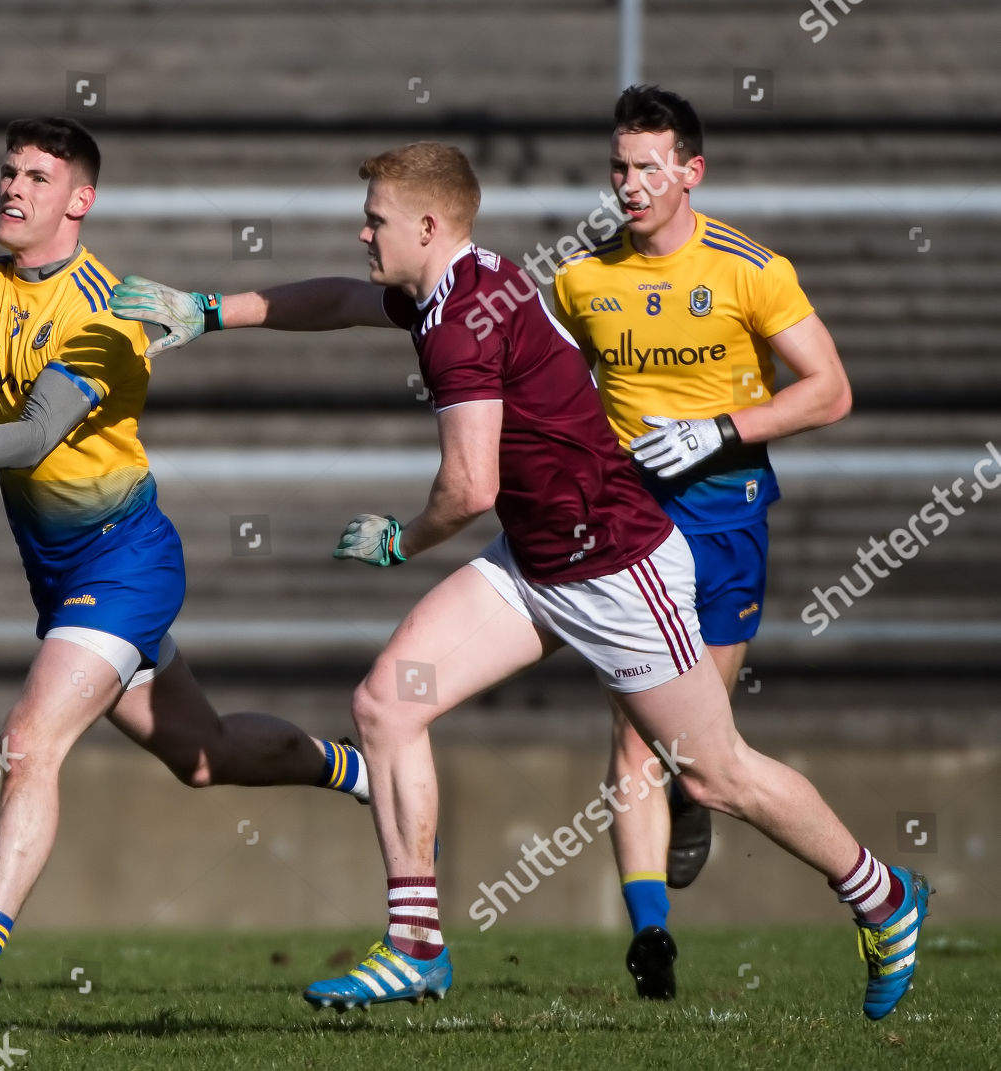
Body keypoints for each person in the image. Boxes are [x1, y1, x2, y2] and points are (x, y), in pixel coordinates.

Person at [107, 141, 926, 1021]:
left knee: (716, 776)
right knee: (386, 704)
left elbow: (469, 487)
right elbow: (341, 300)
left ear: (429, 225)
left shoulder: (461, 321)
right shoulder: (456, 282)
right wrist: (209, 310)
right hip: (535, 563)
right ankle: (416, 945)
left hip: (617, 569)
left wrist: (399, 541)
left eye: (376, 219)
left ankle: (884, 896)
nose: (362, 232)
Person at [0, 116, 369, 1033]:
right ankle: (357, 767)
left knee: (30, 741)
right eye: (8, 171)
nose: (13, 187)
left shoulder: (110, 310)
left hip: (126, 561)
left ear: (80, 200)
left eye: (37, 177)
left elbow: (35, 435)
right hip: (61, 575)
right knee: (204, 756)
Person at [549, 84, 854, 999]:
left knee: (699, 744)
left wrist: (720, 430)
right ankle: (651, 935)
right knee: (635, 726)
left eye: (649, 167)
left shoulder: (750, 269)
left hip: (725, 520)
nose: (630, 184)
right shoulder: (581, 278)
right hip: (631, 524)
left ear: (692, 172)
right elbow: (557, 396)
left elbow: (830, 391)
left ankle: (696, 794)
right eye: (619, 167)